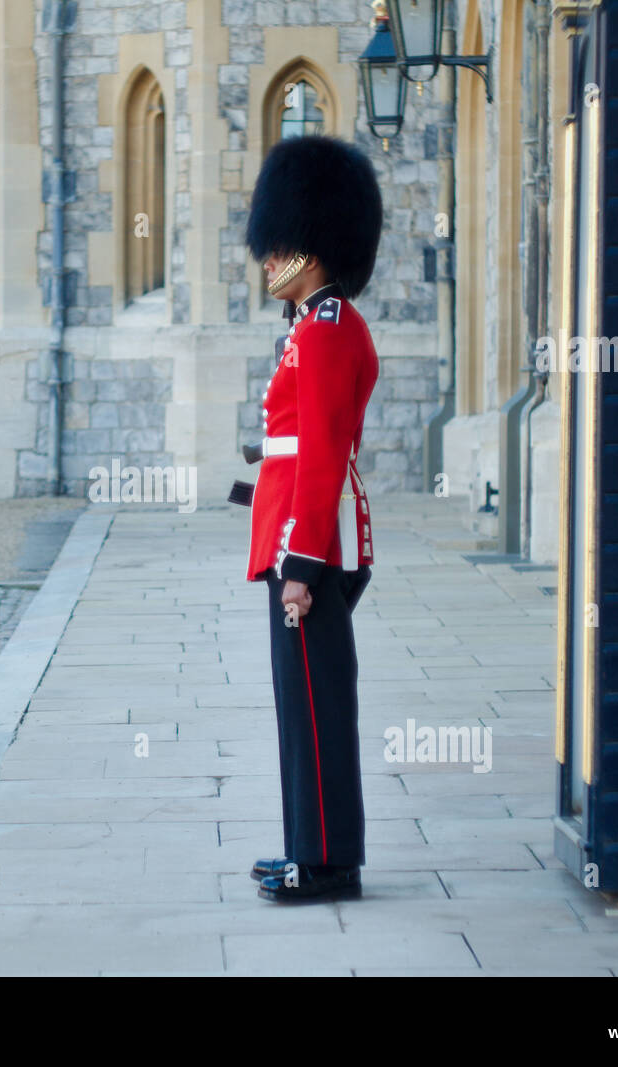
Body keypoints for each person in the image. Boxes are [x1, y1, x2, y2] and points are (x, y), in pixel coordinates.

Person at [235, 134, 382, 903]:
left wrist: (301, 567)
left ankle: (326, 861)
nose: (269, 257)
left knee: (317, 705)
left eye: (280, 244)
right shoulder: (313, 324)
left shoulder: (326, 329)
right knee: (304, 703)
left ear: (315, 246)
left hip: (310, 540)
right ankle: (310, 847)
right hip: (300, 532)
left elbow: (322, 454)